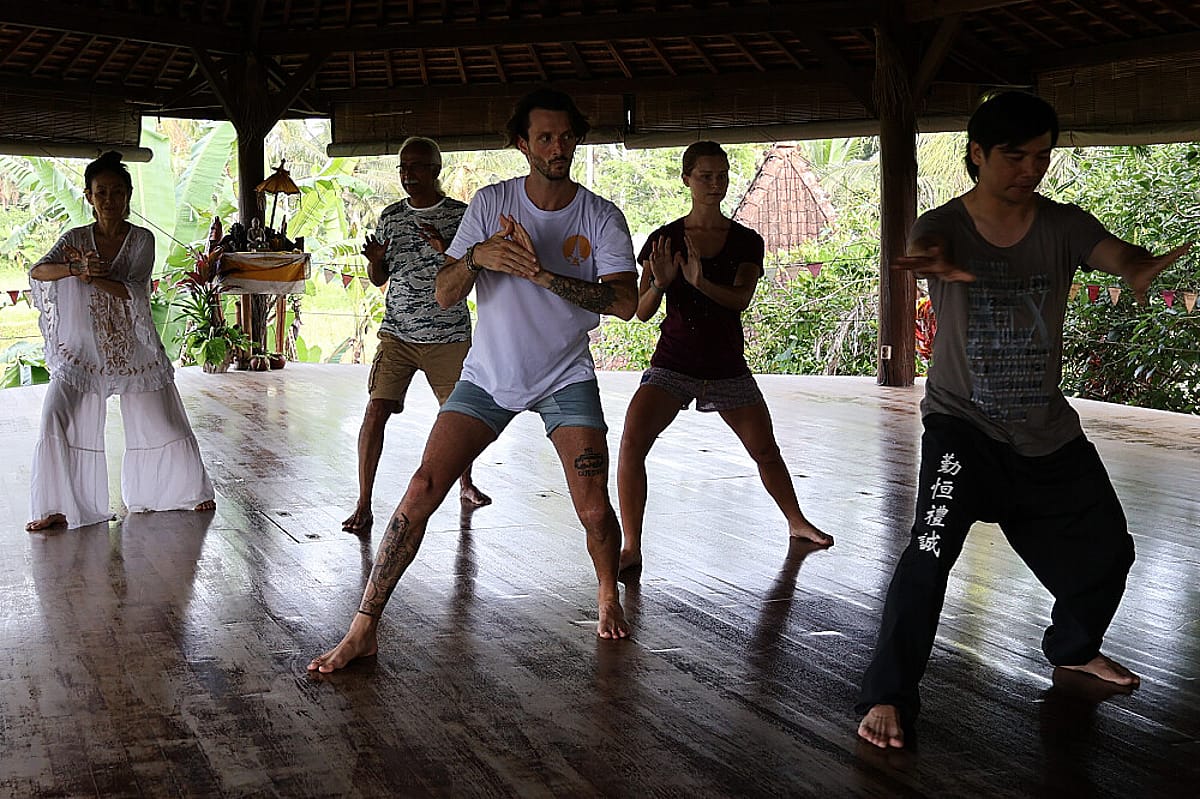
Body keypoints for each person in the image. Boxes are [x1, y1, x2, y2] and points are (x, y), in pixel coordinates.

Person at [855, 91, 1191, 749]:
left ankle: (1072, 646)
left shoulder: (1063, 225)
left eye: (1041, 157)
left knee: (1110, 551)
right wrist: (927, 260)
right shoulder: (945, 224)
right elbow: (926, 242)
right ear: (978, 153)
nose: (1030, 169)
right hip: (961, 429)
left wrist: (1137, 267)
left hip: (1045, 432)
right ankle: (888, 693)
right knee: (927, 556)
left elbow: (1113, 253)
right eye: (1015, 156)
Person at [309, 88, 638, 673]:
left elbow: (624, 302)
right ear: (522, 144)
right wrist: (479, 257)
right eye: (544, 137)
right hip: (487, 375)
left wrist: (543, 273)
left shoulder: (600, 215)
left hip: (565, 375)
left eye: (565, 136)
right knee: (422, 488)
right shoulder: (490, 204)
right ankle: (364, 628)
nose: (557, 147)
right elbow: (444, 291)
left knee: (592, 510)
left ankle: (608, 593)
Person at [616, 141, 832, 575]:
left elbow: (740, 299)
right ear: (687, 180)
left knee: (765, 450)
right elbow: (640, 311)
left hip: (726, 364)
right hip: (673, 362)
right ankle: (631, 546)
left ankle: (797, 522)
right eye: (705, 176)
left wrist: (696, 281)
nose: (715, 184)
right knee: (631, 444)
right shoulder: (664, 239)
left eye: (721, 175)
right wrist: (661, 283)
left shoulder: (746, 241)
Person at [26, 151, 215, 532]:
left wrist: (89, 277)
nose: (109, 199)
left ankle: (187, 490)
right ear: (89, 197)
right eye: (101, 192)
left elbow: (133, 289)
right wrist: (73, 268)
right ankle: (56, 507)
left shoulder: (141, 240)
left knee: (166, 423)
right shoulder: (74, 240)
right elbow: (38, 271)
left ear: (128, 195)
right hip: (82, 352)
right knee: (55, 418)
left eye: (116, 192)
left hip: (133, 348)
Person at [341, 136, 490, 534]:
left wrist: (446, 250)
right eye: (402, 167)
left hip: (448, 335)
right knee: (375, 412)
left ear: (435, 170)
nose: (407, 174)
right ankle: (364, 502)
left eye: (416, 167)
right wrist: (375, 263)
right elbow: (379, 279)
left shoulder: (461, 216)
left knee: (460, 417)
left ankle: (466, 483)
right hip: (398, 334)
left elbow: (473, 271)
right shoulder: (390, 218)